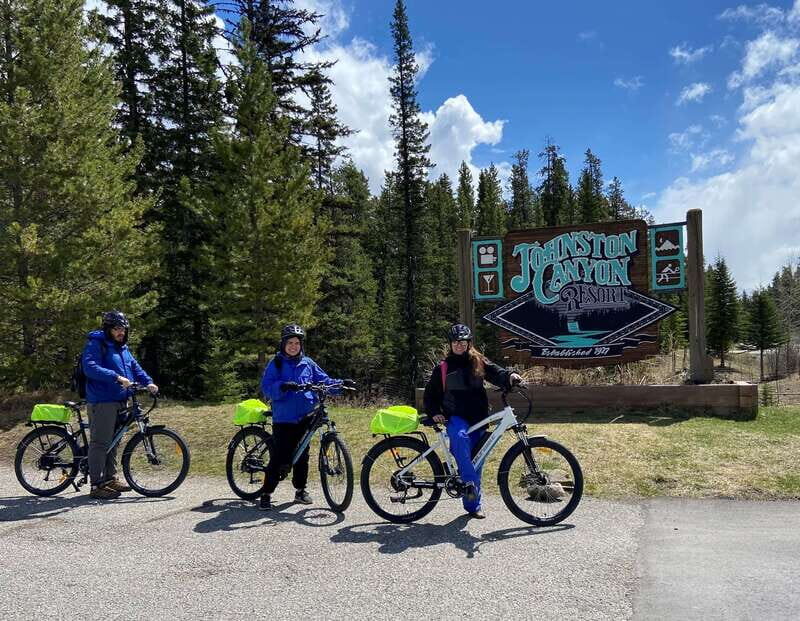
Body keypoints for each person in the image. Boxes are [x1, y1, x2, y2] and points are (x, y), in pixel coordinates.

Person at [423, 324, 522, 519]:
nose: (459, 345)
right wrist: (434, 412)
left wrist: (510, 376)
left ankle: (472, 506)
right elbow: (430, 395)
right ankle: (469, 486)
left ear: (469, 343)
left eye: (463, 342)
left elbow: (496, 372)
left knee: (477, 460)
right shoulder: (442, 368)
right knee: (459, 439)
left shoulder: (478, 361)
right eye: (456, 342)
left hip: (479, 418)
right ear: (450, 344)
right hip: (457, 417)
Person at [258, 324, 345, 511]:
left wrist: (341, 384)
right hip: (284, 418)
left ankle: (300, 490)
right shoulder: (277, 363)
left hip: (306, 415)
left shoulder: (308, 363)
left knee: (302, 455)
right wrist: (282, 386)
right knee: (280, 456)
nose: (293, 346)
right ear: (283, 344)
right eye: (290, 342)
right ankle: (266, 493)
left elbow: (324, 380)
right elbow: (266, 387)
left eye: (297, 343)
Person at [82, 310, 158, 499]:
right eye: (117, 329)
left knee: (114, 441)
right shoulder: (96, 344)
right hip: (102, 400)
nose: (121, 332)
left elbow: (135, 367)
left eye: (123, 329)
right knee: (100, 442)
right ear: (108, 329)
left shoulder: (122, 348)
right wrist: (116, 377)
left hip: (120, 399)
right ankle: (96, 485)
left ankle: (110, 479)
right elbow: (90, 367)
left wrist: (148, 382)